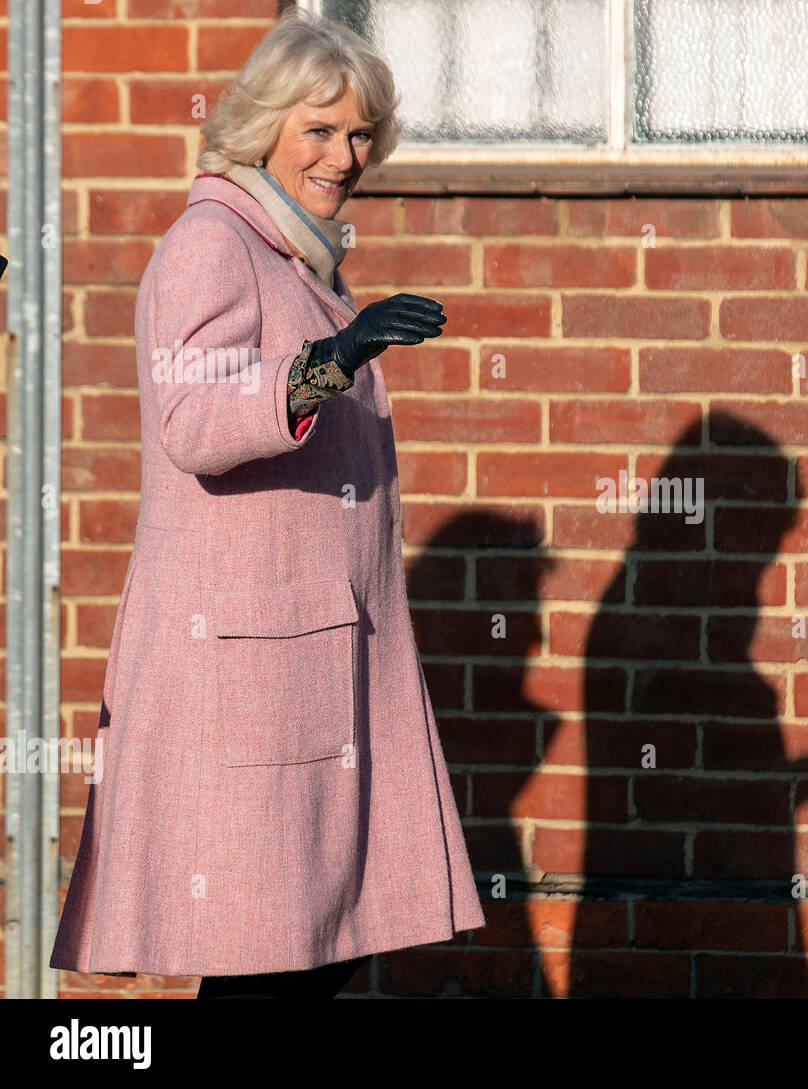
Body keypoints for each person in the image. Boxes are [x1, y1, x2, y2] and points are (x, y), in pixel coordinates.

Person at [49, 8, 485, 999]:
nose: (346, 156)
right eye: (319, 129)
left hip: (309, 655)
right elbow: (193, 421)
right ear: (261, 126)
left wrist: (336, 344)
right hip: (253, 662)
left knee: (320, 950)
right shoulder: (213, 242)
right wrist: (330, 361)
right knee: (276, 960)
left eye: (361, 133)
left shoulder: (297, 254)